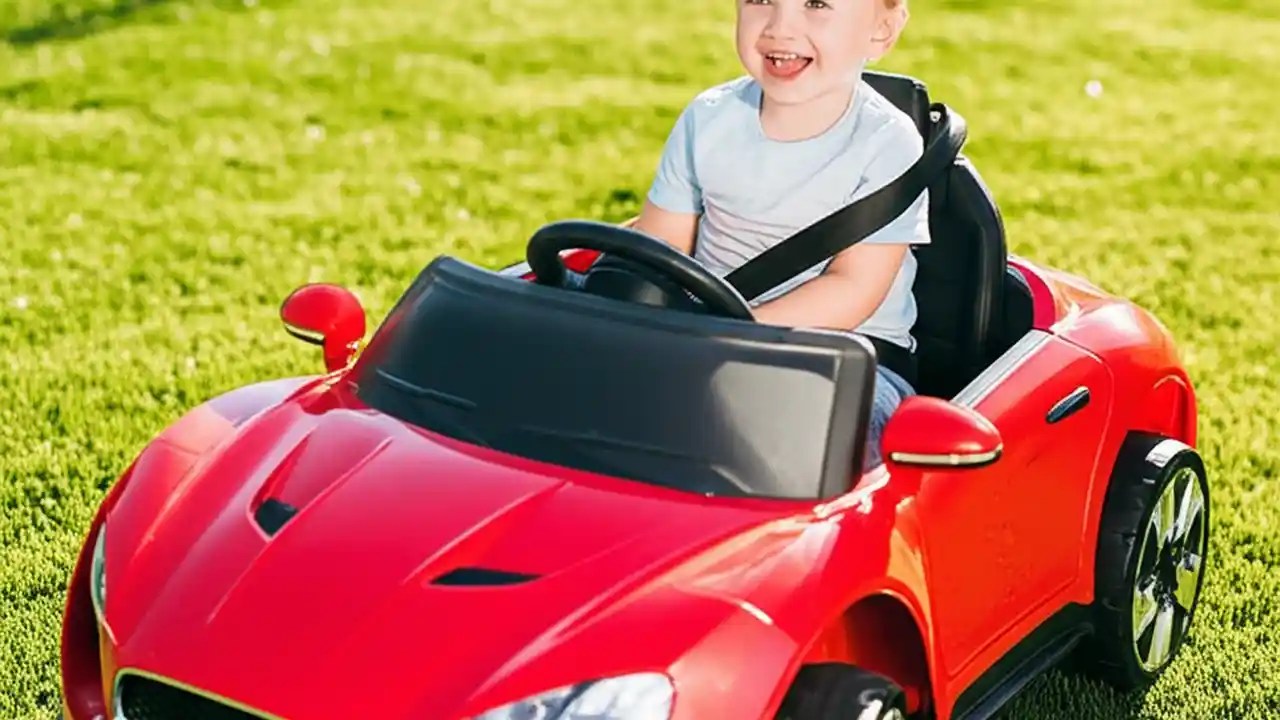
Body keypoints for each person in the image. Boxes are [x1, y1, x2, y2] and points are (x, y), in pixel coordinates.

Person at [631, 0, 926, 470]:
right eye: (760, 0)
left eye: (815, 4)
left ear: (883, 30)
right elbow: (659, 248)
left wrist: (733, 335)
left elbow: (853, 288)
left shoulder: (888, 143)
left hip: (848, 359)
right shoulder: (707, 119)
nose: (779, 26)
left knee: (796, 439)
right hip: (706, 340)